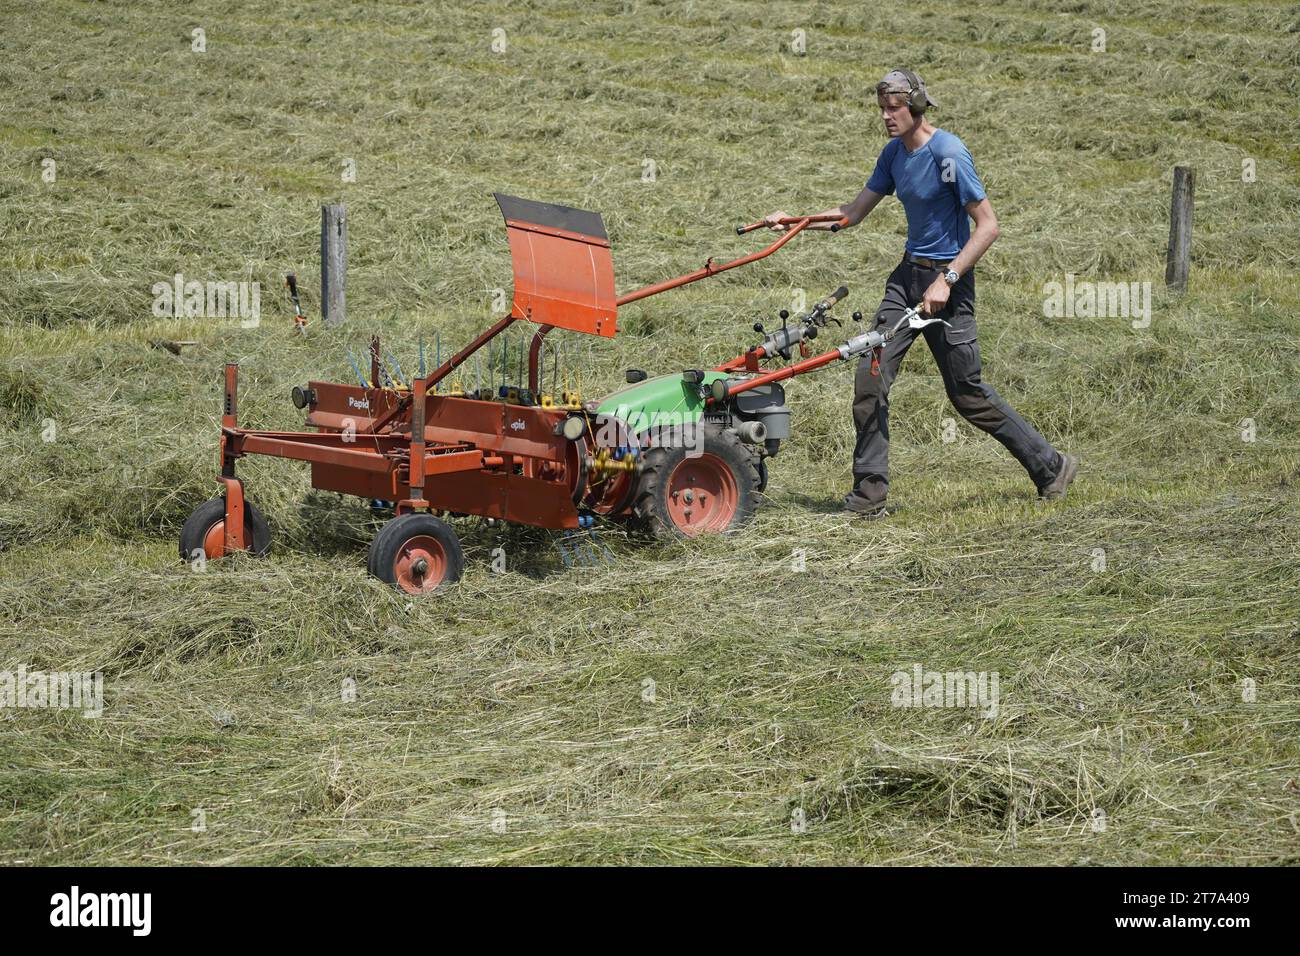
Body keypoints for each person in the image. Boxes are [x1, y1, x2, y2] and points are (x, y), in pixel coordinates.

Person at [765, 68, 1078, 517]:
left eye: (894, 109)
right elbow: (852, 212)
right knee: (870, 380)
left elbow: (988, 226)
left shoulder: (948, 153)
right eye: (883, 110)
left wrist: (946, 280)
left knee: (967, 394)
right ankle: (868, 498)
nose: (887, 118)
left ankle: (1051, 467)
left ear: (915, 107)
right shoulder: (894, 155)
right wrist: (794, 220)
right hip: (906, 280)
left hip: (950, 284)